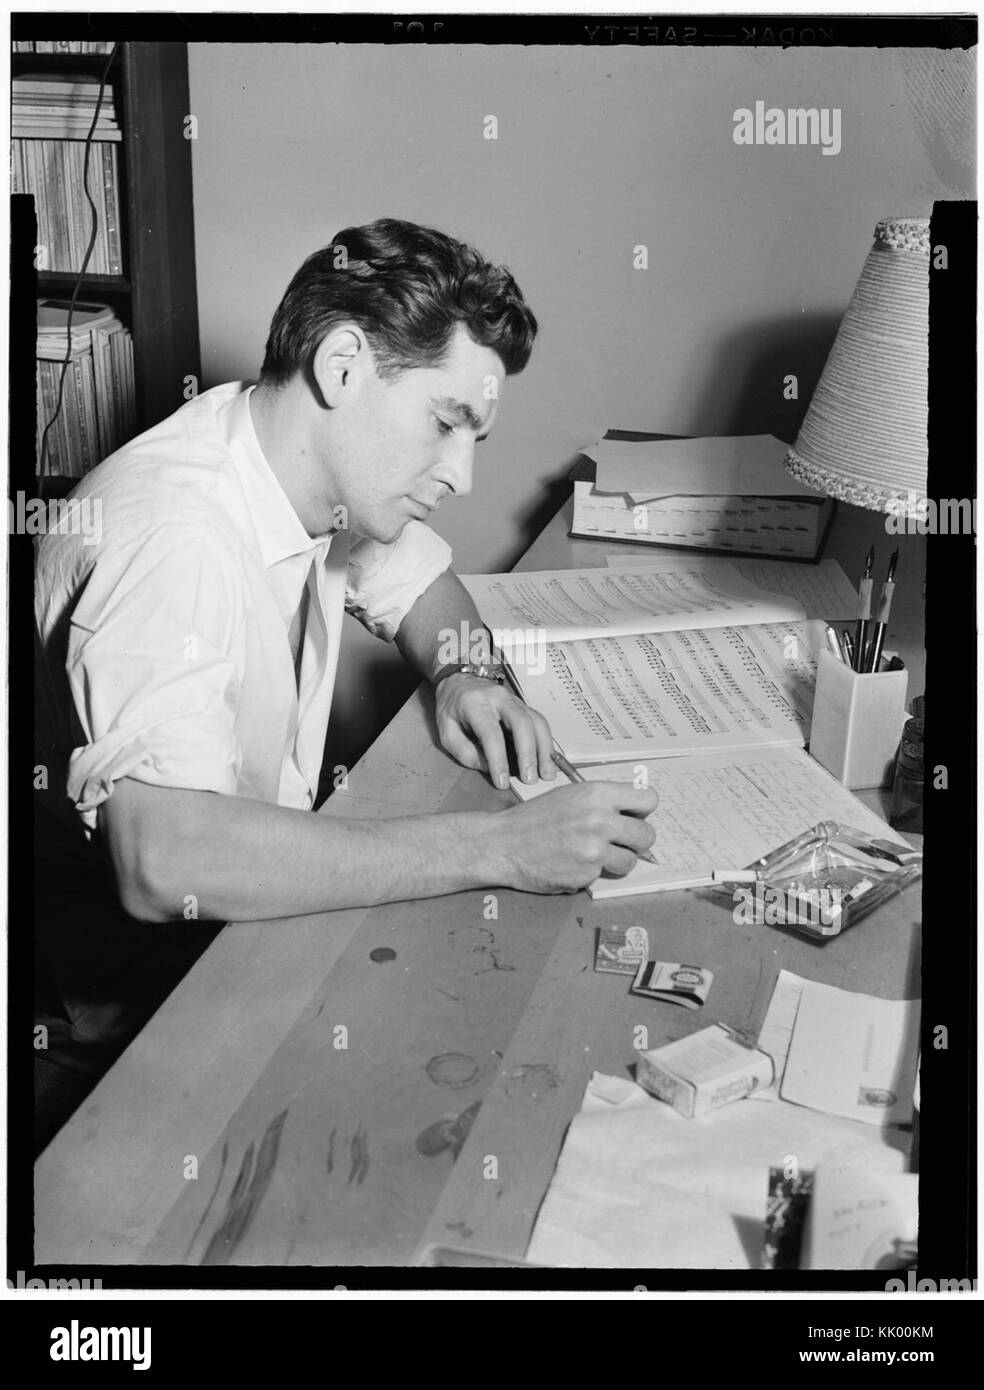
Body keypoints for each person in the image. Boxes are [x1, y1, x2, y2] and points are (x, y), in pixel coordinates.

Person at [33, 217, 657, 1148]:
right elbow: (166, 861)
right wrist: (501, 850)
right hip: (118, 999)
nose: (461, 473)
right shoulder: (175, 536)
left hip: (235, 929)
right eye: (447, 424)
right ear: (343, 366)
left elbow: (425, 588)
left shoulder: (299, 457)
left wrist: (465, 675)